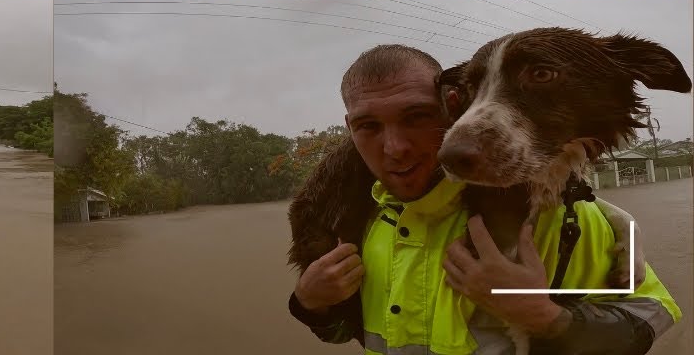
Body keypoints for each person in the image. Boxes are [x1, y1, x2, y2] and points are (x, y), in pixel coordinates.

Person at [289, 44, 680, 355]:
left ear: (454, 107)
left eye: (418, 117)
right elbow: (346, 334)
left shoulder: (558, 219)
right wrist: (310, 305)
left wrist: (543, 316)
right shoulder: (359, 224)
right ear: (349, 129)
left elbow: (651, 316)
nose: (395, 149)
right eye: (368, 126)